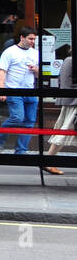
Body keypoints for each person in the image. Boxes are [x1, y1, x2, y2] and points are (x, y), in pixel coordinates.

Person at [0, 27, 39, 155]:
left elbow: (40, 75)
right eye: (30, 38)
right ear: (22, 37)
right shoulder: (10, 52)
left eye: (34, 39)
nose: (32, 42)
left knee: (29, 122)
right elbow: (2, 71)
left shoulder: (35, 53)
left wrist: (36, 70)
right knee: (18, 117)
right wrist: (1, 89)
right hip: (13, 90)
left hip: (30, 90)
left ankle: (21, 150)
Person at [42, 44, 74, 174]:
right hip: (73, 102)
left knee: (65, 130)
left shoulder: (69, 60)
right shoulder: (70, 61)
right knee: (65, 130)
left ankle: (48, 160)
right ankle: (48, 161)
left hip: (72, 101)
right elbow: (67, 83)